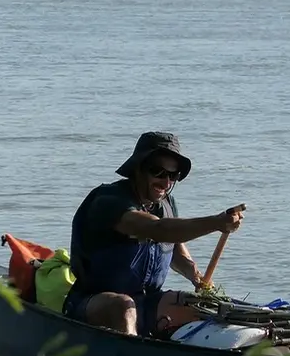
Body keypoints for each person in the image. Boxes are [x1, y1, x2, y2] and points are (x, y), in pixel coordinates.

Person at [64, 131, 245, 337]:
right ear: (138, 168)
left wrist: (197, 278)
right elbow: (158, 229)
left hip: (147, 301)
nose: (165, 183)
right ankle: (133, 353)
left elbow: (175, 250)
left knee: (198, 306)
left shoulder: (166, 204)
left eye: (172, 175)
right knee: (123, 306)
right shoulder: (109, 201)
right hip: (93, 302)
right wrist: (216, 222)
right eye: (158, 172)